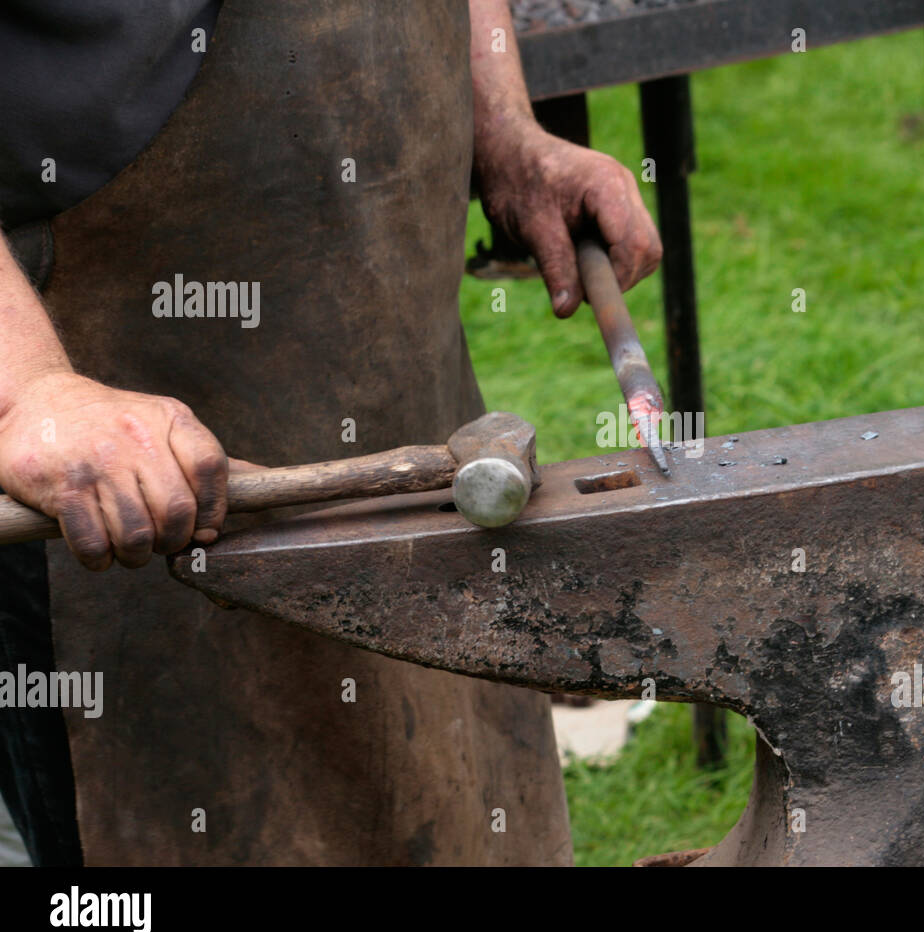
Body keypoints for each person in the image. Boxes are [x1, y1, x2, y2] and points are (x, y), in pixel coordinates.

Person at [0, 0, 661, 865]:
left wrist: (506, 131)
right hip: (118, 458)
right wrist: (27, 393)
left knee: (437, 796)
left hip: (396, 392)